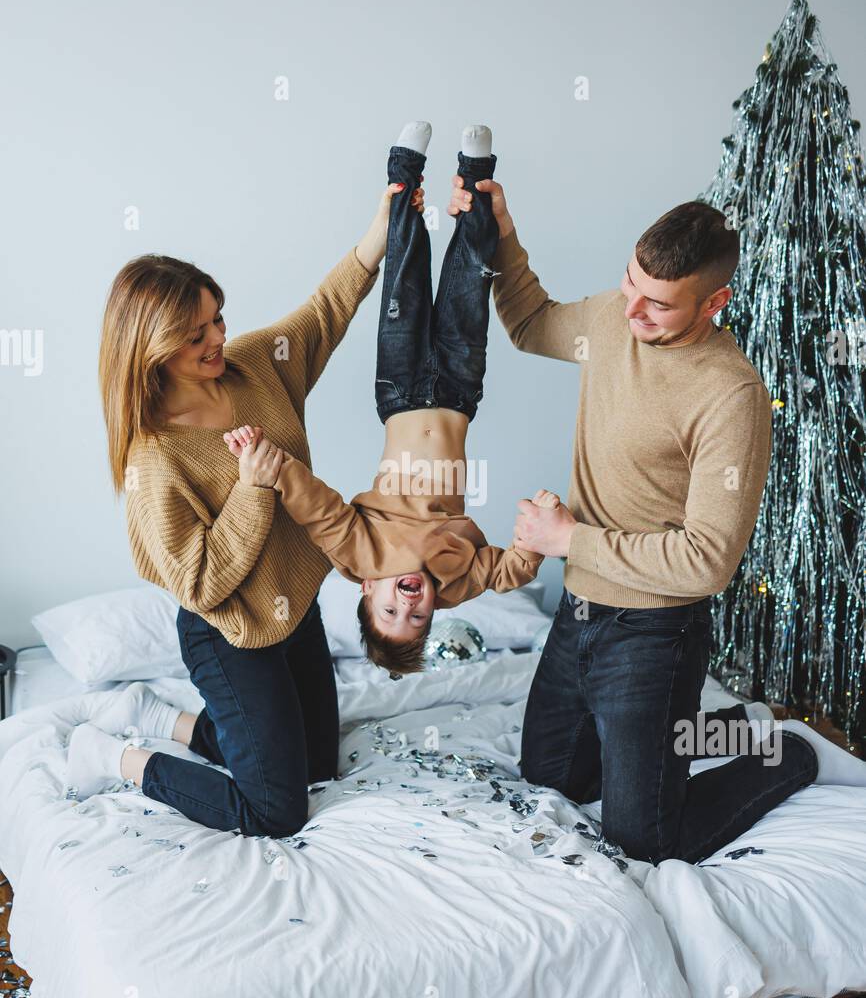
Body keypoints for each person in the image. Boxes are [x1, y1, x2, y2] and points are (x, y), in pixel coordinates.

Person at [448, 175, 866, 866]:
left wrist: (568, 539)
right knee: (552, 780)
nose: (631, 309)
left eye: (659, 303)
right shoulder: (616, 316)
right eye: (629, 283)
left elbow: (707, 561)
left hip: (654, 634)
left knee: (643, 842)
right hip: (579, 614)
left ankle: (786, 748)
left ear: (714, 303)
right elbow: (529, 323)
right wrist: (502, 232)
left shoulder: (730, 396)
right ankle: (727, 727)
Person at [66, 183, 407, 835]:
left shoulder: (253, 366)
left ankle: (171, 721)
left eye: (218, 317)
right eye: (197, 334)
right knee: (276, 811)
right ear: (153, 350)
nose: (219, 337)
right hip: (230, 633)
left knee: (318, 768)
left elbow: (323, 313)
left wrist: (380, 234)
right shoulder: (155, 458)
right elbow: (200, 583)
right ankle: (115, 755)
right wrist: (252, 489)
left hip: (293, 606)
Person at [223, 121, 549, 676]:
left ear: (368, 589)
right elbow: (510, 572)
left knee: (404, 278)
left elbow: (318, 509)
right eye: (416, 618)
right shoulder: (458, 582)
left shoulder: (359, 555)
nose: (408, 603)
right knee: (469, 284)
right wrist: (537, 535)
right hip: (458, 392)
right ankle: (476, 172)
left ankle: (404, 169)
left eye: (390, 610)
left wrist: (271, 465)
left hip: (399, 392)